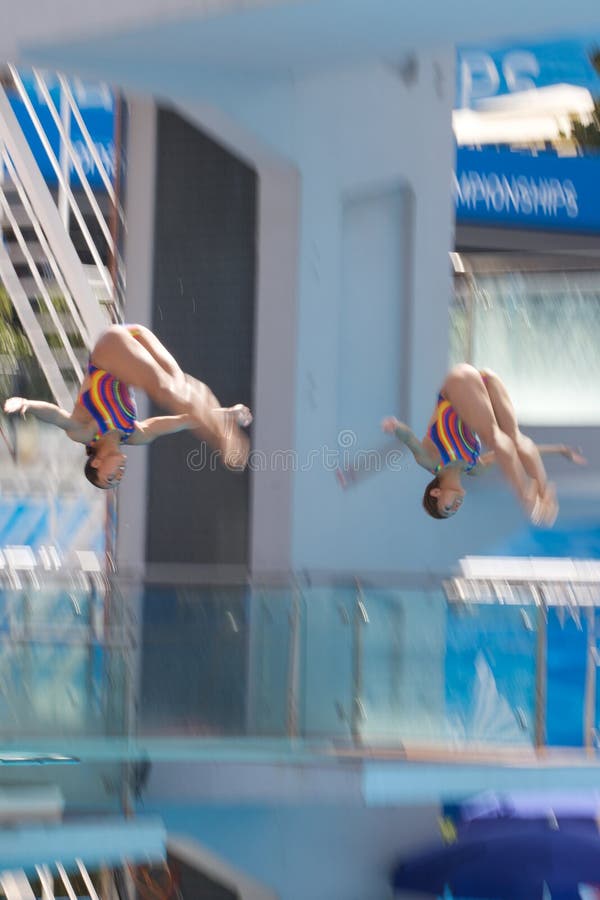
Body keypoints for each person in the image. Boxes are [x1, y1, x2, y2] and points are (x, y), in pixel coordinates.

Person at [3, 324, 252, 490]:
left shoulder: (86, 431)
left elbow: (58, 417)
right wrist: (227, 413)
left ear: (96, 463)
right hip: (137, 337)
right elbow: (183, 421)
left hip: (109, 347)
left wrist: (27, 404)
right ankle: (220, 424)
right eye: (118, 480)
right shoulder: (134, 434)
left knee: (166, 390)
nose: (119, 475)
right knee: (177, 387)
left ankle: (222, 436)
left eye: (110, 477)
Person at [382, 364, 586, 525]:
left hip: (458, 383)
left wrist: (395, 427)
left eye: (447, 508)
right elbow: (512, 452)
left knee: (496, 438)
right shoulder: (474, 467)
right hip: (485, 383)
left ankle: (527, 498)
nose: (455, 508)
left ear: (436, 493)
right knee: (514, 439)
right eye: (454, 512)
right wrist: (560, 450)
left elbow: (409, 439)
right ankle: (542, 492)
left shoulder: (431, 461)